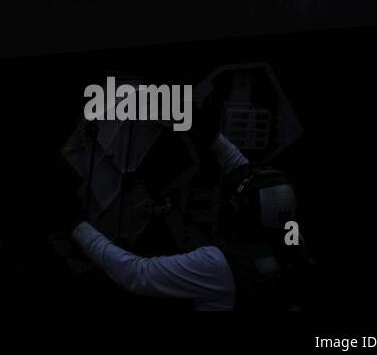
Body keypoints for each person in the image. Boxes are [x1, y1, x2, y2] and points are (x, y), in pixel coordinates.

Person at [69, 131, 306, 311]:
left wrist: (78, 226)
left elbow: (138, 275)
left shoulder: (220, 267)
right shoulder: (290, 238)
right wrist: (209, 132)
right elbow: (243, 169)